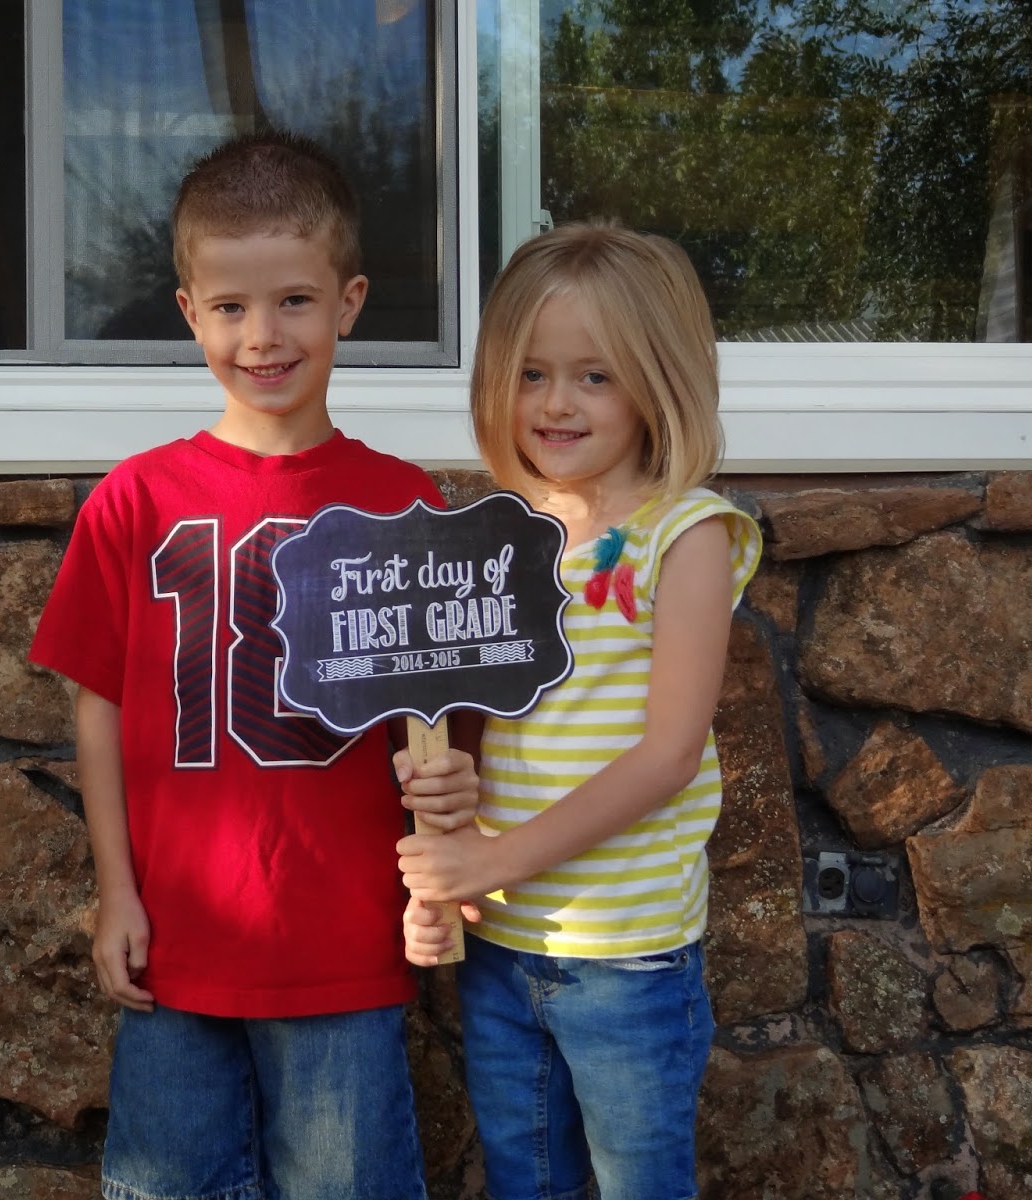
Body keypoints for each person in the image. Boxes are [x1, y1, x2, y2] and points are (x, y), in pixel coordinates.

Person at [29, 130, 478, 1200]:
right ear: (189, 311)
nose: (262, 336)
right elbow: (98, 708)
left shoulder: (404, 505)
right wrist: (113, 892)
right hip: (176, 946)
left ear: (349, 301)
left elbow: (445, 729)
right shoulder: (133, 501)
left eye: (294, 302)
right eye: (229, 308)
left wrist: (451, 809)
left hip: (340, 942)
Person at [397, 222, 762, 1200]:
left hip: (626, 960)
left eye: (595, 376)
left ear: (658, 381)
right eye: (532, 373)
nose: (556, 402)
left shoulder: (683, 533)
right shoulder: (495, 535)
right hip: (503, 948)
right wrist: (439, 879)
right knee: (529, 1184)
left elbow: (665, 758)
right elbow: (459, 730)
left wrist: (491, 860)